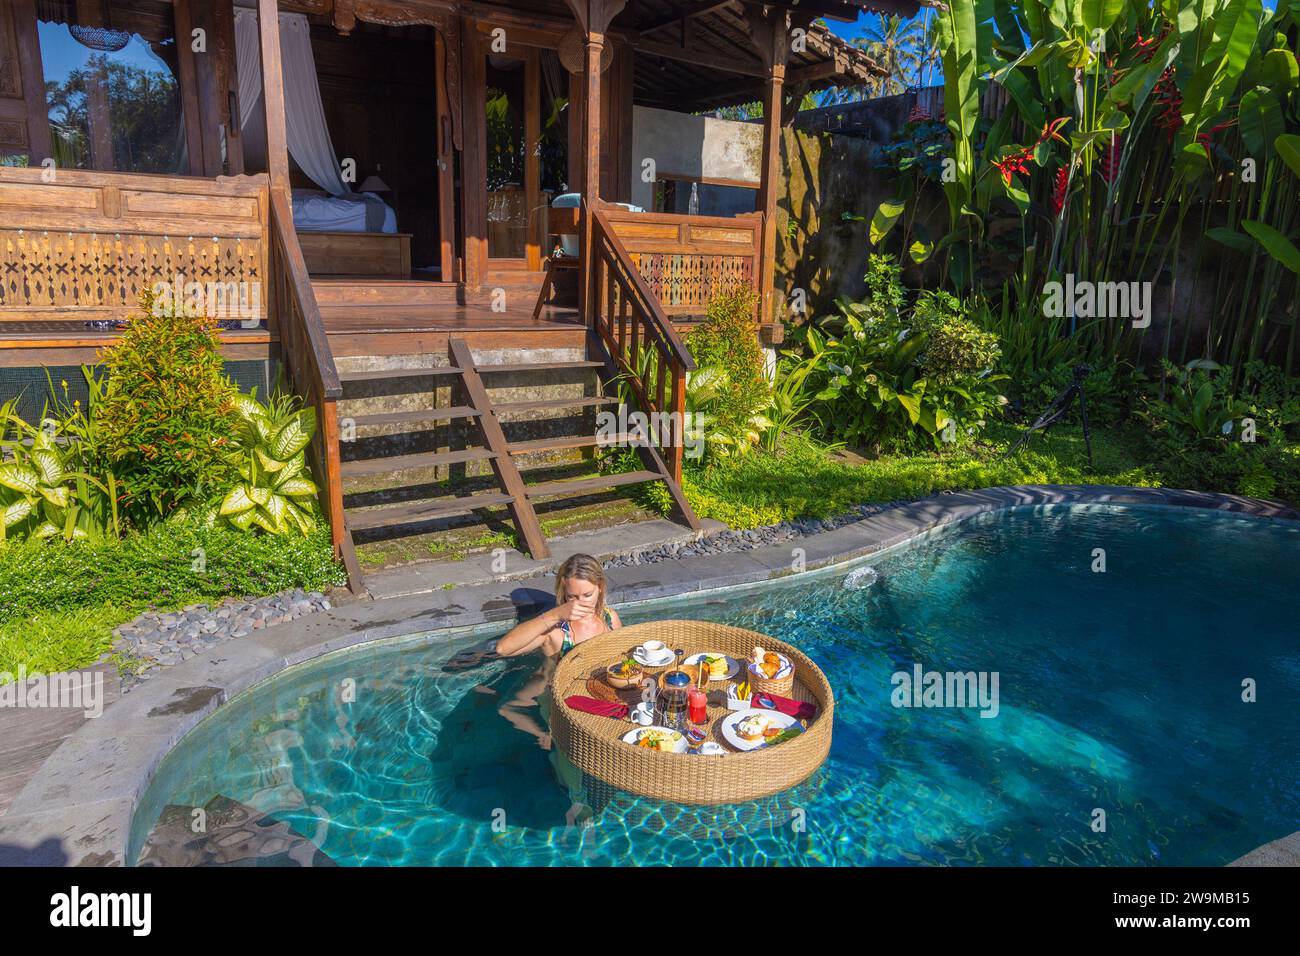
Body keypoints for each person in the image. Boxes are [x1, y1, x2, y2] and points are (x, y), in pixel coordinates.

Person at [492, 554, 622, 749]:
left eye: (587, 595)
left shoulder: (609, 617)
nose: (580, 604)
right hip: (554, 691)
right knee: (511, 710)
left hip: (596, 689)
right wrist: (555, 614)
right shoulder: (556, 631)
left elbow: (622, 655)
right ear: (563, 591)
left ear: (600, 587)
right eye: (572, 597)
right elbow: (503, 649)